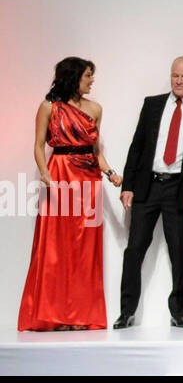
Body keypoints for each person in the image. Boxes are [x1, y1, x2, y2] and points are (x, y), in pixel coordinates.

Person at [19, 58, 121, 330]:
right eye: (88, 75)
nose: (92, 80)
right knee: (56, 245)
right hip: (60, 175)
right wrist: (45, 173)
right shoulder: (49, 107)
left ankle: (80, 315)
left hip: (89, 178)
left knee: (85, 248)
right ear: (74, 77)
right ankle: (54, 315)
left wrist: (110, 173)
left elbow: (95, 150)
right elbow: (39, 145)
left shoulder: (95, 109)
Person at [116, 56, 183, 328]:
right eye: (175, 76)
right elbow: (136, 147)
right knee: (134, 250)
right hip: (147, 187)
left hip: (180, 190)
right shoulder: (152, 105)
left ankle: (177, 313)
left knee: (180, 253)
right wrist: (128, 187)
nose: (179, 81)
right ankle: (126, 312)